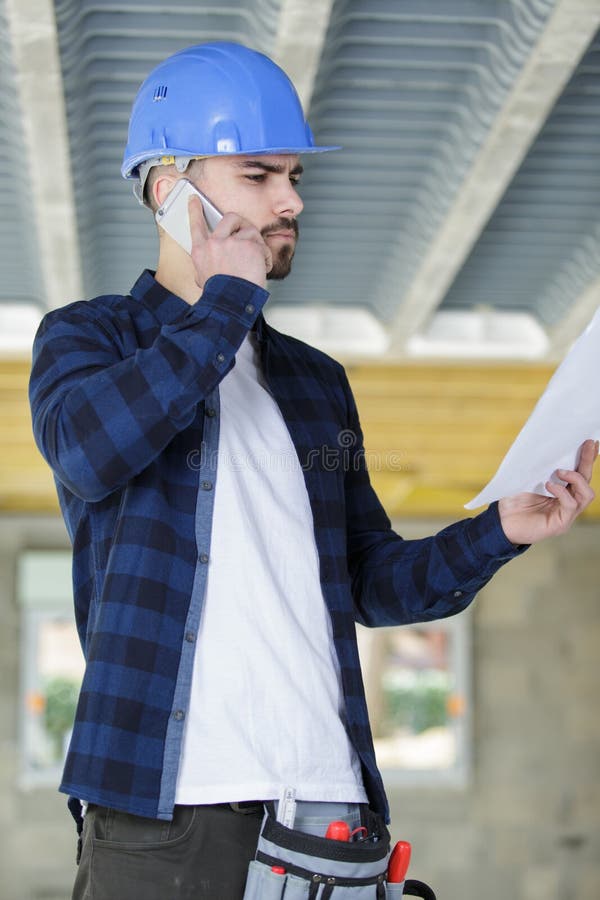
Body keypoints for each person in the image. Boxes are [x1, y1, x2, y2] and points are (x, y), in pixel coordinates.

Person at [29, 42, 597, 900]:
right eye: (258, 177)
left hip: (329, 814)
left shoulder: (314, 383)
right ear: (167, 190)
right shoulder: (91, 338)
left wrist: (498, 529)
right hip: (168, 810)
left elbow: (369, 580)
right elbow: (91, 449)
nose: (291, 201)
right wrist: (225, 302)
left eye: (293, 177)